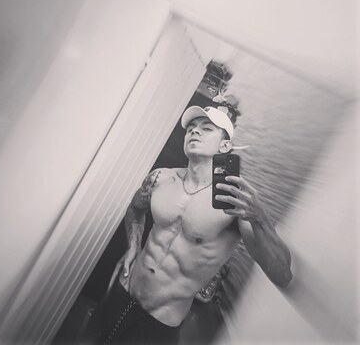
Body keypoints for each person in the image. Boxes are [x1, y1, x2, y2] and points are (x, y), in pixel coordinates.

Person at [90, 104, 292, 345]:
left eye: (206, 128)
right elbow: (136, 209)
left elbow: (282, 275)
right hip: (123, 291)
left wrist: (260, 218)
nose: (195, 131)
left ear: (224, 146)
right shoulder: (161, 178)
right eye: (191, 128)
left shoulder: (233, 203)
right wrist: (133, 246)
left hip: (160, 321)